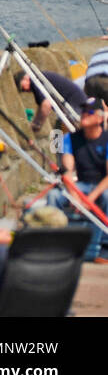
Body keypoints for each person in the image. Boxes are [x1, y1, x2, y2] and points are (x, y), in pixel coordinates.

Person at [52, 98, 108, 262]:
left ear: (99, 118)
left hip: (101, 186)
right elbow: (68, 171)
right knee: (54, 197)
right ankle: (52, 243)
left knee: (107, 197)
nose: (83, 115)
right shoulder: (70, 138)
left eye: (89, 112)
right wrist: (75, 198)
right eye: (82, 111)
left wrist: (89, 200)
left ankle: (105, 249)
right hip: (80, 186)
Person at [16, 69, 87, 132]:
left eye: (22, 87)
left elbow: (46, 105)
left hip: (75, 105)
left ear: (25, 77)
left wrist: (37, 124)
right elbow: (42, 105)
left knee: (58, 132)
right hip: (76, 103)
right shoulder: (39, 78)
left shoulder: (35, 80)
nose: (24, 90)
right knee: (58, 130)